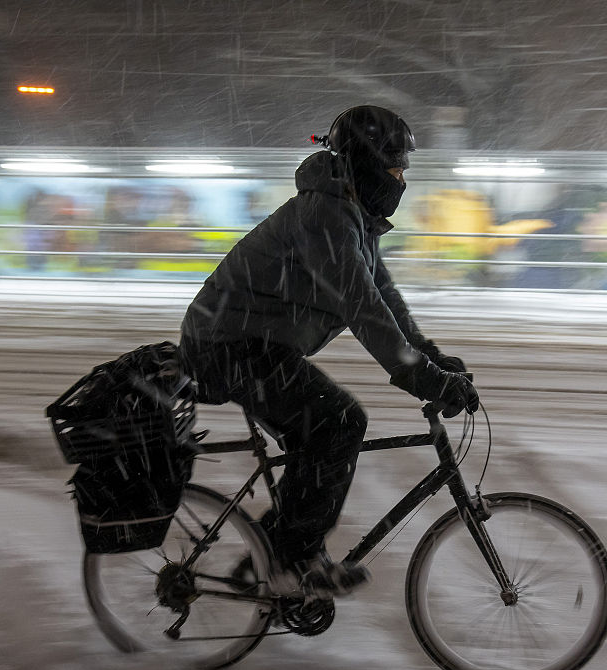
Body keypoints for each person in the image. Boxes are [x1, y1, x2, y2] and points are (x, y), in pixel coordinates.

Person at [177, 105, 479, 597]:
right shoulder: (327, 215)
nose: (402, 178)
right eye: (395, 165)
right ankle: (289, 562)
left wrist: (430, 355)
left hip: (251, 341)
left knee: (320, 438)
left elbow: (384, 299)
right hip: (224, 344)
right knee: (338, 422)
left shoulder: (352, 213)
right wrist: (420, 377)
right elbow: (363, 308)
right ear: (366, 161)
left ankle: (272, 556)